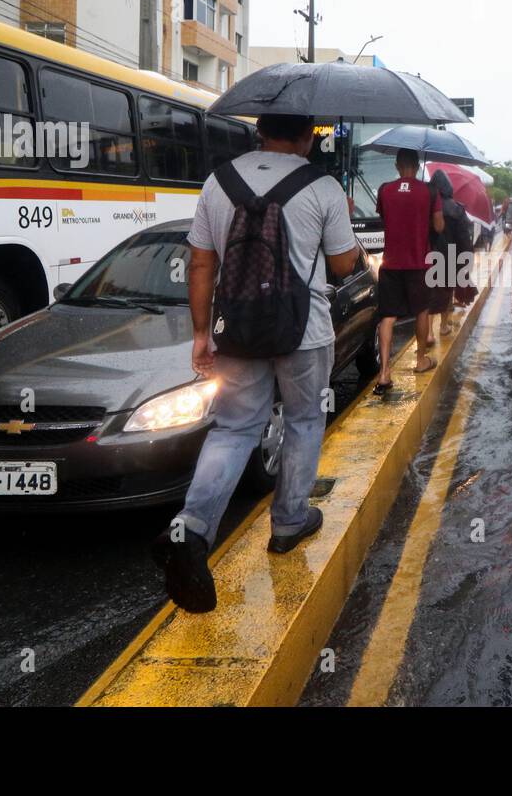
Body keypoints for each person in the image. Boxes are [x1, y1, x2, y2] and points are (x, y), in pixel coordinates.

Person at [152, 114, 359, 613]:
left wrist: (201, 334)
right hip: (303, 332)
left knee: (233, 429)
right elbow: (344, 265)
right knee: (305, 420)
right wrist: (342, 219)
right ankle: (289, 522)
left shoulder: (218, 181)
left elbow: (201, 264)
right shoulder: (323, 185)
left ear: (260, 130)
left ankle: (193, 529)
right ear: (308, 136)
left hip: (237, 330)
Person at [372, 148, 443, 396]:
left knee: (387, 317)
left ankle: (384, 373)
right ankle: (421, 360)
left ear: (396, 165)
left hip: (390, 263)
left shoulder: (384, 190)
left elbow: (385, 218)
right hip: (419, 264)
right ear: (417, 165)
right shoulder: (430, 191)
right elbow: (439, 225)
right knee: (422, 311)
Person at [426, 169, 476, 338]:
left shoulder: (426, 206)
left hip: (428, 256)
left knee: (428, 294)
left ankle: (429, 333)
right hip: (450, 258)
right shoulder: (457, 210)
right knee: (446, 292)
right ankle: (443, 325)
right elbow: (465, 240)